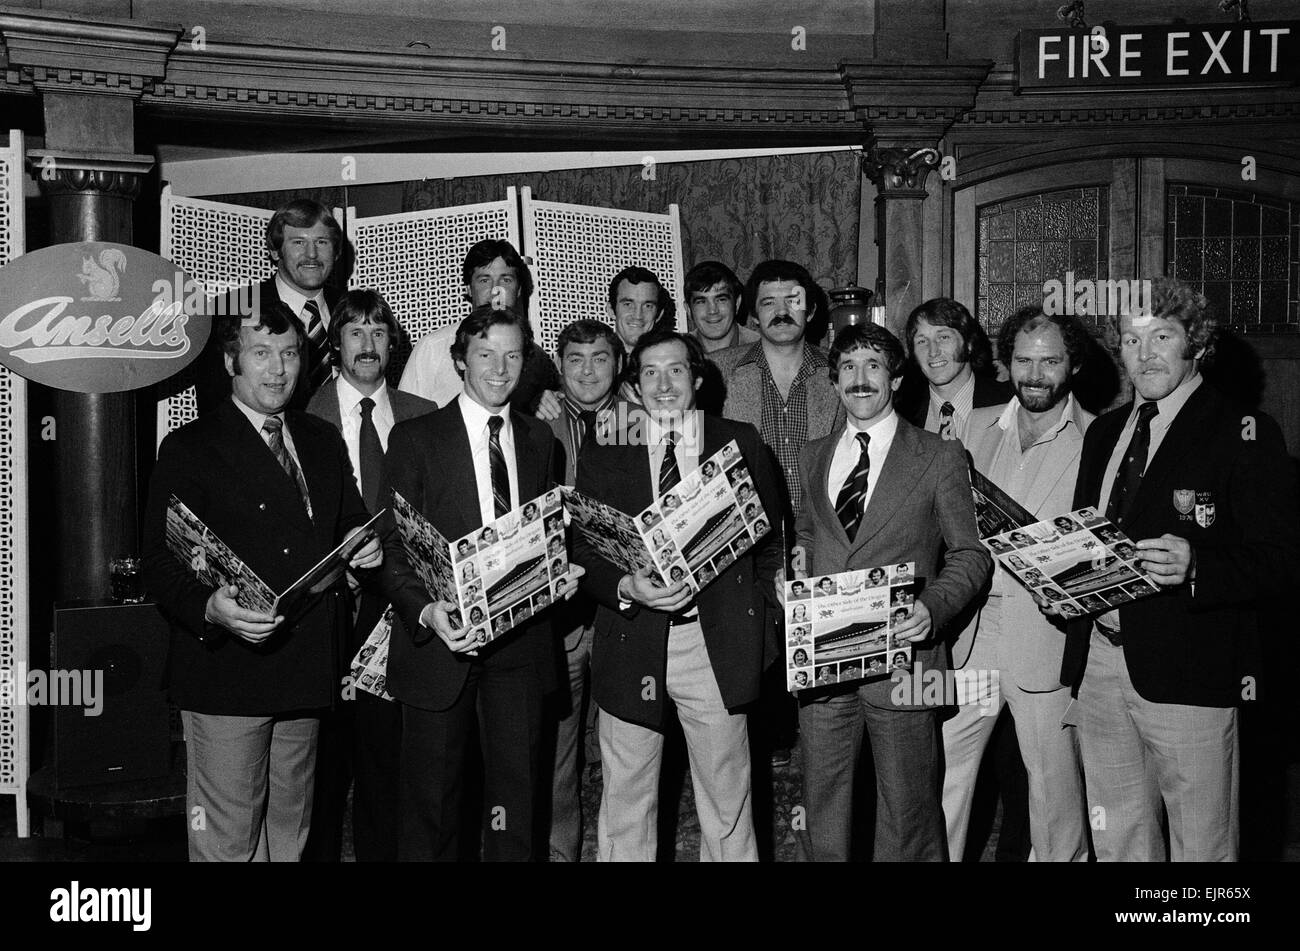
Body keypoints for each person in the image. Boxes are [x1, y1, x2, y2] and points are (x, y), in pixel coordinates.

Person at [1060, 277, 1300, 862]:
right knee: (1117, 838)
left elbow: (1281, 562)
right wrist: (1059, 583)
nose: (1145, 355)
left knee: (1202, 844)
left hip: (1192, 668)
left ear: (1194, 342)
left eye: (1161, 336)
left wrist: (1199, 566)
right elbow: (1090, 538)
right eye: (1130, 340)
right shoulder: (1106, 433)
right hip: (1100, 660)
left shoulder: (1244, 431)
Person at [143, 300, 382, 861]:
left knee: (290, 835)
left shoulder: (322, 439)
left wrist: (361, 545)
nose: (278, 369)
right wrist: (211, 608)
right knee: (227, 842)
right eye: (261, 354)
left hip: (304, 669)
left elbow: (345, 519)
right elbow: (157, 560)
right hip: (227, 671)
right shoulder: (190, 447)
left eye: (290, 354)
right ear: (231, 363)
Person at [571, 328, 782, 861]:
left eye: (676, 370)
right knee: (626, 796)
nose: (664, 384)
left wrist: (761, 625)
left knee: (727, 796)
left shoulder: (740, 440)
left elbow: (773, 545)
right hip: (633, 638)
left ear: (698, 377)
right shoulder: (605, 444)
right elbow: (582, 548)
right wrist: (625, 586)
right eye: (649, 373)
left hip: (714, 645)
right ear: (634, 387)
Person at [794, 322, 990, 862]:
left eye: (874, 366)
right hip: (824, 665)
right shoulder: (812, 456)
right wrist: (795, 577)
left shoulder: (939, 456)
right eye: (849, 368)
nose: (861, 379)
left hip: (907, 664)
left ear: (896, 379)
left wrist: (932, 608)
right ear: (834, 382)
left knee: (909, 813)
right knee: (823, 807)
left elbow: (972, 555)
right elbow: (808, 535)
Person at [378, 304, 560, 861]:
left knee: (518, 809)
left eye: (512, 355)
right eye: (486, 355)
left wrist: (560, 571)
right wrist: (427, 612)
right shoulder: (414, 438)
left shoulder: (538, 439)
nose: (500, 368)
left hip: (522, 647)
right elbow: (393, 547)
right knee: (432, 813)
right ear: (460, 361)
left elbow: (546, 537)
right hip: (440, 649)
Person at [941, 305, 1094, 864]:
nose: (1035, 374)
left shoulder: (1099, 438)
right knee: (945, 778)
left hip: (1046, 638)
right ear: (1005, 364)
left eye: (1050, 361)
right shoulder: (972, 426)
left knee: (1054, 795)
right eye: (1023, 361)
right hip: (970, 634)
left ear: (1072, 365)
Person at [303, 288, 437, 863]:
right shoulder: (302, 418)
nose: (367, 344)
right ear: (336, 343)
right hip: (325, 610)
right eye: (355, 332)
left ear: (393, 344)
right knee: (321, 771)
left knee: (389, 764)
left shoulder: (423, 416)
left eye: (378, 332)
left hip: (397, 614)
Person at [541, 318, 621, 861]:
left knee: (628, 751)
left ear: (618, 365)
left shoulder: (650, 422)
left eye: (599, 358)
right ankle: (561, 853)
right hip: (563, 616)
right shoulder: (533, 425)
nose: (587, 371)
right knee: (557, 751)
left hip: (623, 612)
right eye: (574, 359)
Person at [194, 199, 344, 416]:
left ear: (336, 252)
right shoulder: (231, 309)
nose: (311, 254)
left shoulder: (351, 308)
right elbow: (214, 406)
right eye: (298, 243)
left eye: (322, 242)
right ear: (275, 251)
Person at [398, 239, 559, 412]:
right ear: (468, 288)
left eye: (506, 280)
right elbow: (405, 416)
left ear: (519, 289)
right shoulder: (432, 348)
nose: (495, 290)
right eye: (484, 280)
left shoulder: (537, 358)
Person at [897, 297, 1012, 443]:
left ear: (969, 344)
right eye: (922, 341)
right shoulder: (900, 414)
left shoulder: (1009, 404)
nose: (933, 352)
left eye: (943, 337)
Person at [684, 260, 758, 354]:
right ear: (688, 309)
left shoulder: (763, 350)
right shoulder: (674, 354)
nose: (712, 310)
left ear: (737, 303)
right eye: (701, 302)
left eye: (721, 300)